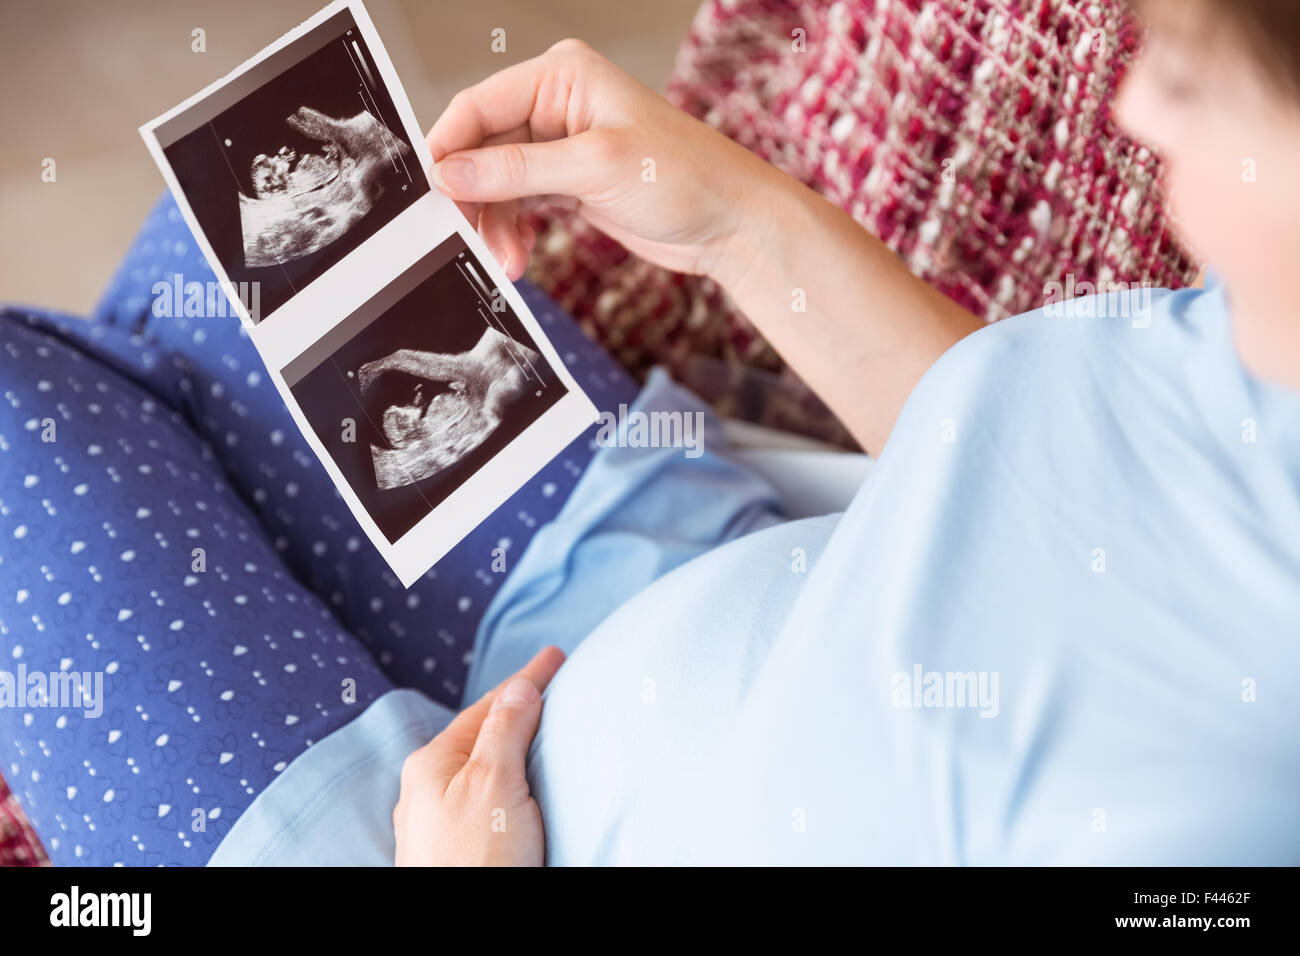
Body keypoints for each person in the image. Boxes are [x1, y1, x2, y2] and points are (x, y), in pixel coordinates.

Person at [3, 0, 1297, 866]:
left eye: (1189, 81)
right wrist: (729, 215)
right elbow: (1061, 481)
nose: (1131, 112)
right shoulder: (1259, 346)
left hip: (419, 848)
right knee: (241, 243)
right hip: (652, 572)